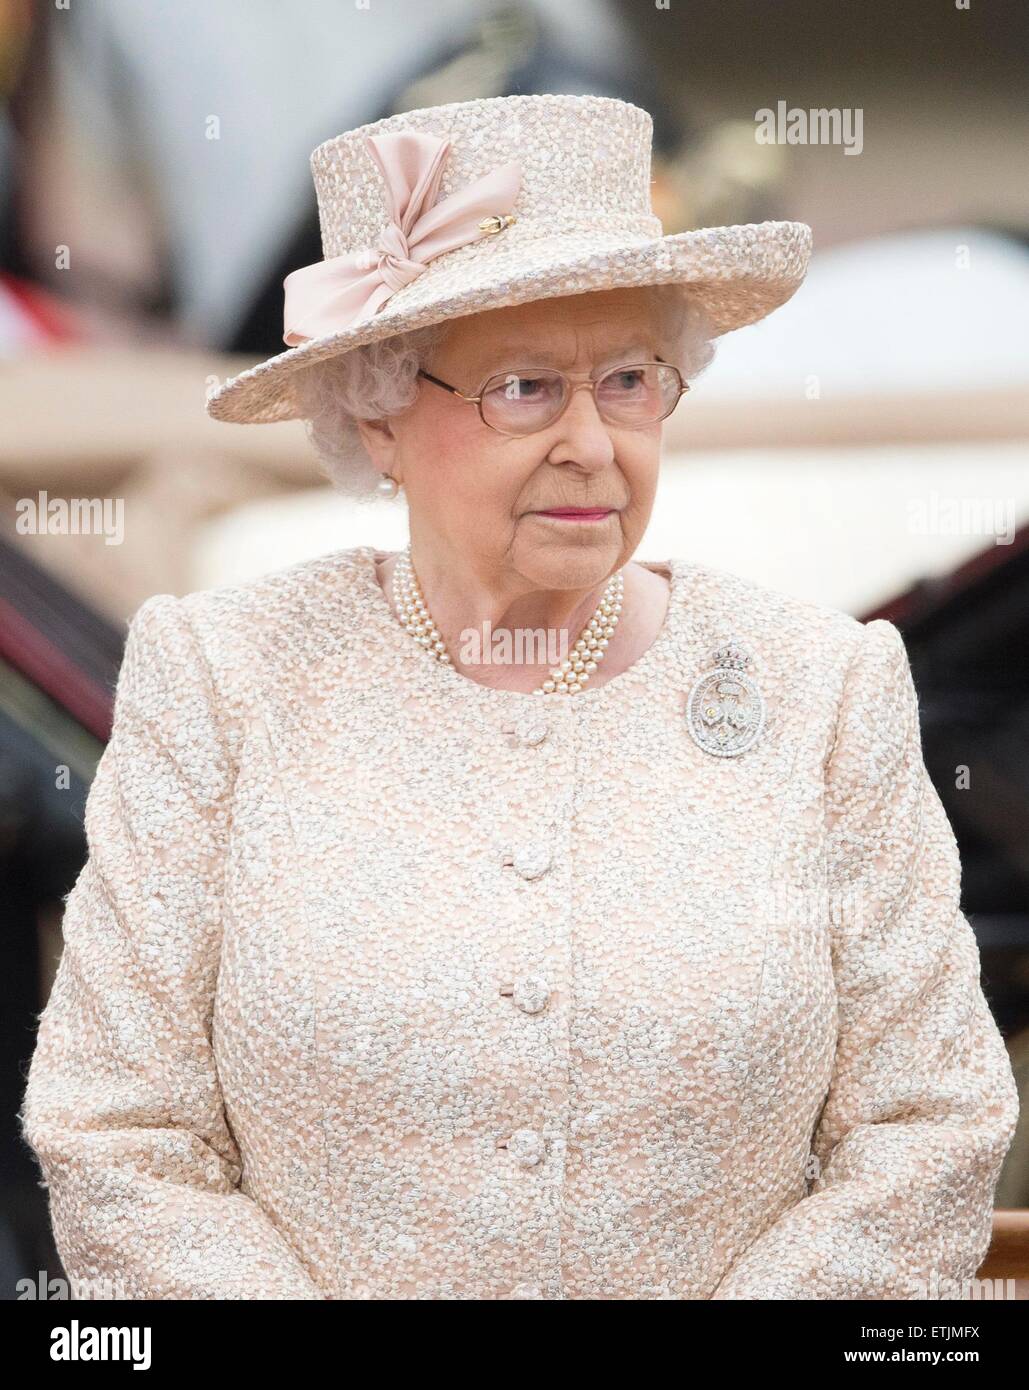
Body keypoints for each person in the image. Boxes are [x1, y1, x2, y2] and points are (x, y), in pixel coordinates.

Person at [19, 93, 1018, 1301]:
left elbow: (932, 1122)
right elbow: (116, 1132)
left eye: (633, 379)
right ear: (378, 409)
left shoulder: (825, 690)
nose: (595, 443)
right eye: (527, 389)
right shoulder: (222, 680)